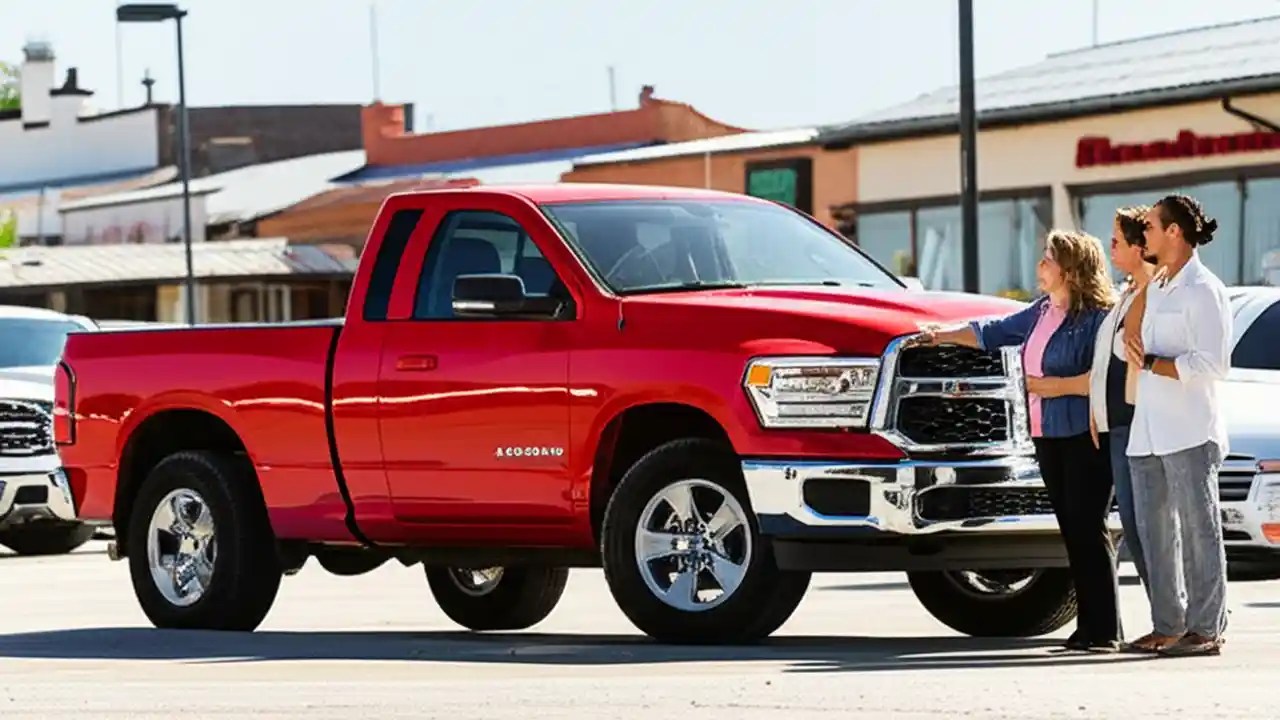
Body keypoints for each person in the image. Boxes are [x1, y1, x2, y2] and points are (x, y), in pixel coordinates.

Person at [917, 229, 1120, 652]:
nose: (1040, 266)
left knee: (1088, 528)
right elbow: (991, 331)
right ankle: (1091, 627)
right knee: (1070, 530)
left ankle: (1103, 629)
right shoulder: (1042, 311)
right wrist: (941, 334)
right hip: (1046, 436)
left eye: (1048, 259)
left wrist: (1052, 387)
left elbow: (1105, 380)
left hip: (1086, 435)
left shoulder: (1100, 317)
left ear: (1071, 268)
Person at [1123, 194, 1233, 657]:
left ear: (1174, 232)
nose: (1141, 234)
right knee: (1154, 534)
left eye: (1149, 226)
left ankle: (1206, 628)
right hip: (1146, 429)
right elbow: (1125, 345)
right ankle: (1167, 624)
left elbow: (1213, 363)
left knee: (1197, 530)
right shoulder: (1161, 285)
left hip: (1189, 430)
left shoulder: (1205, 289)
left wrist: (1152, 362)